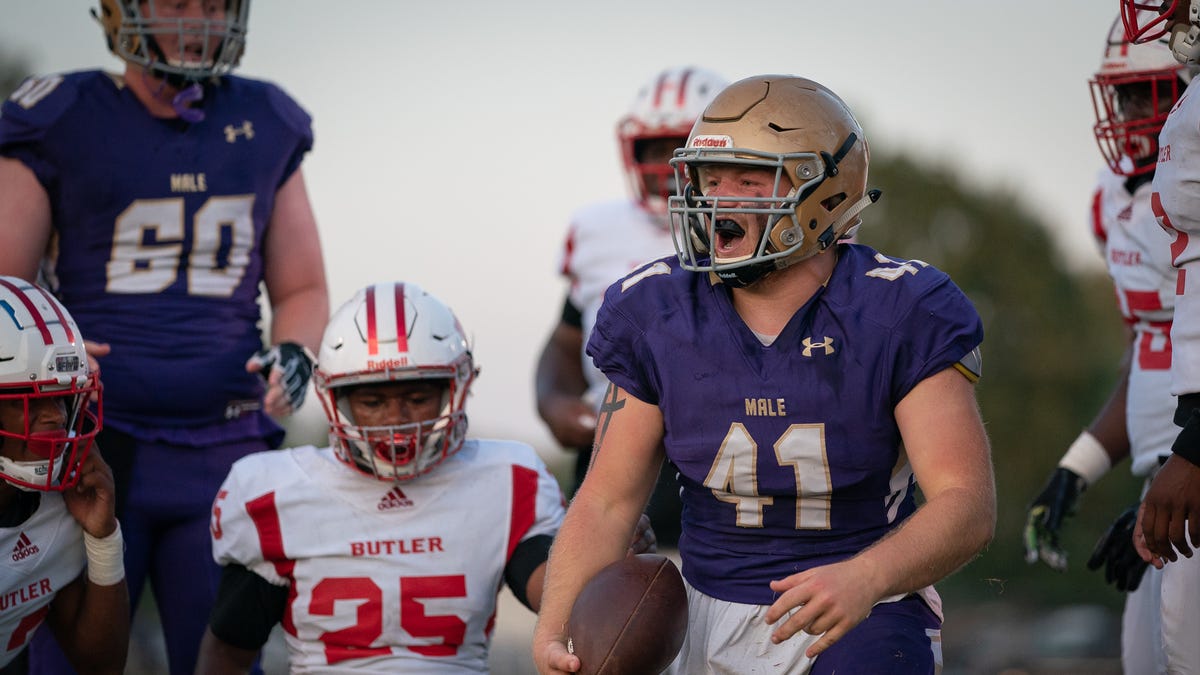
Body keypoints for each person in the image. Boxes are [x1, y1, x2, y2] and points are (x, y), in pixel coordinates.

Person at [532, 75, 996, 674]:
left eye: (749, 179)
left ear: (824, 192)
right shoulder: (655, 310)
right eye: (709, 178)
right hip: (704, 611)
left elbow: (966, 502)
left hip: (862, 607)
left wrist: (867, 575)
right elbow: (606, 501)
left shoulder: (900, 309)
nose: (718, 200)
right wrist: (553, 628)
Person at [0, 2, 330, 672]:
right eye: (177, 1)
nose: (199, 20)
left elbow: (301, 287)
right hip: (88, 443)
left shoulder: (265, 117)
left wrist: (296, 347)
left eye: (214, 4)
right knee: (69, 660)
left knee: (223, 658)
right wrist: (47, 348)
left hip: (224, 442)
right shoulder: (61, 115)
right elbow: (5, 288)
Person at [196, 281, 657, 673]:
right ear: (334, 399)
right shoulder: (278, 494)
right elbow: (230, 648)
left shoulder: (504, 479)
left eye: (417, 398)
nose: (396, 421)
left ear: (457, 387)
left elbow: (554, 595)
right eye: (372, 403)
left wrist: (602, 556)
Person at [1023, 18, 1193, 673]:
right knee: (1146, 661)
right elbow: (1145, 356)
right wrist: (1078, 467)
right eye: (1124, 95)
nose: (1131, 111)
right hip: (1168, 482)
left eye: (1149, 93)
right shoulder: (1111, 200)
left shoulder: (1189, 185)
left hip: (1188, 475)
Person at [535, 66, 727, 547]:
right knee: (604, 588)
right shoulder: (597, 229)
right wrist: (556, 404)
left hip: (726, 458)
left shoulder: (758, 227)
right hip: (614, 455)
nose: (669, 164)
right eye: (656, 149)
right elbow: (566, 340)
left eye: (684, 146)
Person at [0, 276, 129, 673]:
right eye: (27, 400)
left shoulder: (62, 507)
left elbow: (101, 665)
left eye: (61, 397)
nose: (55, 416)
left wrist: (104, 539)